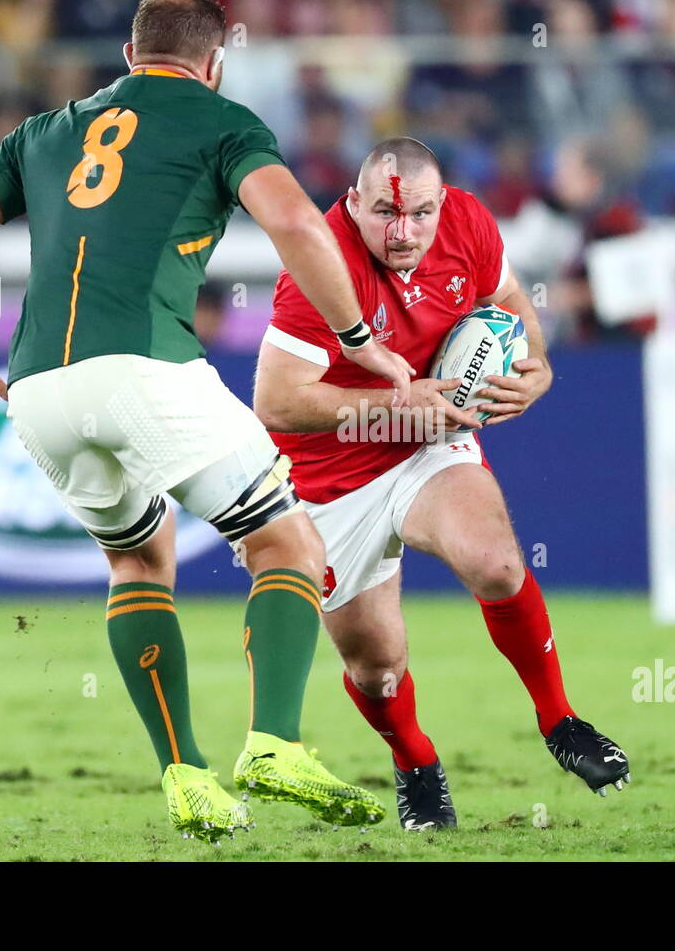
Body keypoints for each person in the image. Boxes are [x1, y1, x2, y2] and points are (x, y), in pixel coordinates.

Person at [0, 0, 412, 842]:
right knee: (285, 542)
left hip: (36, 391)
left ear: (127, 52)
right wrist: (358, 337)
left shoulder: (49, 129)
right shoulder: (223, 121)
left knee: (139, 558)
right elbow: (293, 218)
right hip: (144, 368)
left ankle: (185, 775)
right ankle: (275, 746)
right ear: (215, 63)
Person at [254, 137, 630, 830]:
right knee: (377, 670)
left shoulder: (468, 221)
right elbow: (275, 401)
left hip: (432, 441)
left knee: (495, 561)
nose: (406, 233)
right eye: (387, 216)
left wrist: (539, 365)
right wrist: (395, 404)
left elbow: (509, 297)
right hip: (331, 477)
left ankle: (560, 720)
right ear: (354, 204)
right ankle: (415, 762)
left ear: (441, 202)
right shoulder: (318, 261)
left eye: (421, 214)